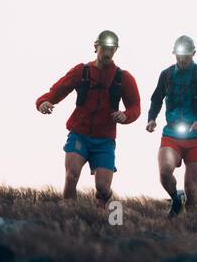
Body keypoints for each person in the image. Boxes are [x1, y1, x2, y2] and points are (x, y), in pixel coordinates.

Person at [35, 30, 141, 203]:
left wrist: (125, 115)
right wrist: (43, 102)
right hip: (79, 134)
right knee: (71, 175)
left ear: (116, 50)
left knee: (103, 189)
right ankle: (68, 215)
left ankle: (100, 216)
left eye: (112, 49)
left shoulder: (124, 78)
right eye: (104, 48)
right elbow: (57, 91)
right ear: (95, 46)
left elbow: (135, 107)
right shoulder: (81, 71)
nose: (107, 53)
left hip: (105, 141)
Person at [146, 35, 197, 218]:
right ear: (174, 54)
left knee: (191, 188)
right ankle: (175, 197)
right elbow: (156, 99)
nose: (182, 59)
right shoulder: (165, 75)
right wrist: (151, 119)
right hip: (171, 134)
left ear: (193, 53)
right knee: (165, 173)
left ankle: (191, 227)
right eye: (178, 55)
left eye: (186, 55)